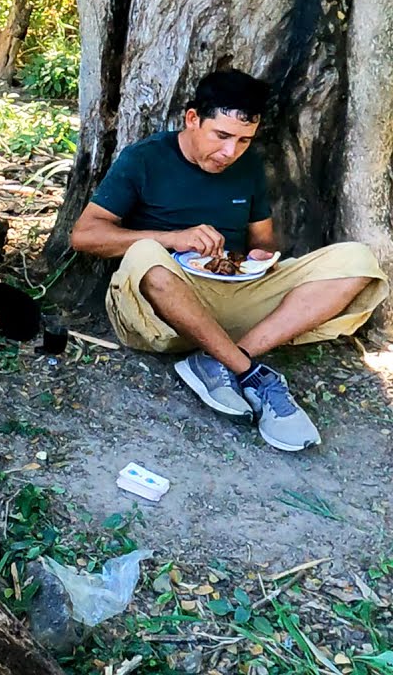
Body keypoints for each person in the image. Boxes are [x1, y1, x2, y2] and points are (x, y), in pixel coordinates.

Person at [70, 69, 388, 451]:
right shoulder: (145, 158)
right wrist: (174, 238)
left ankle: (219, 359)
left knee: (357, 259)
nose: (229, 152)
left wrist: (262, 256)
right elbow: (84, 235)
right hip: (159, 310)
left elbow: (264, 244)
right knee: (145, 255)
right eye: (221, 136)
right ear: (192, 119)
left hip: (233, 299)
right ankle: (251, 375)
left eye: (243, 140)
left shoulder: (248, 166)